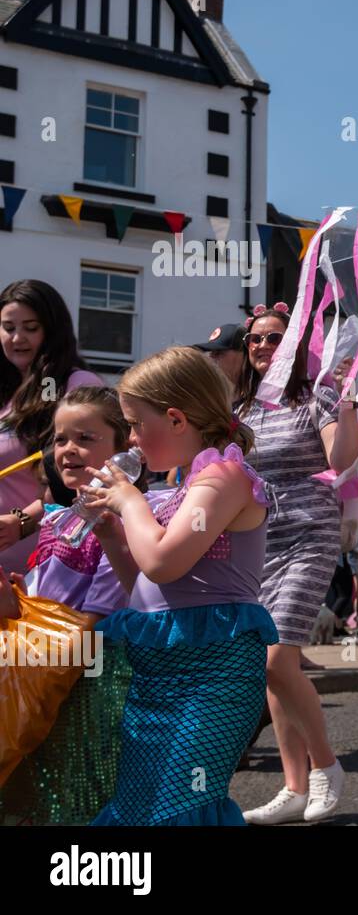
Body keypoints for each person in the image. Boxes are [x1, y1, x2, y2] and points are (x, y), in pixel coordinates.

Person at [80, 347, 275, 825]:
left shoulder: (224, 478)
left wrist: (129, 503)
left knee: (181, 804)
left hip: (212, 675)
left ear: (174, 418)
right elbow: (148, 582)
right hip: (158, 674)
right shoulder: (185, 485)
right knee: (142, 805)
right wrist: (109, 532)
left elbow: (164, 562)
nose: (129, 438)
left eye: (133, 423)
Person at [235, 301, 358, 825]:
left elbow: (340, 459)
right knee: (273, 671)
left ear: (295, 345)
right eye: (256, 339)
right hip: (258, 539)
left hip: (309, 533)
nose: (264, 347)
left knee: (276, 659)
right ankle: (292, 787)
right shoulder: (241, 409)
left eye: (275, 338)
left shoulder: (316, 396)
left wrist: (348, 403)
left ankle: (325, 768)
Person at [0, 387, 137, 824]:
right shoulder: (59, 515)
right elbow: (46, 605)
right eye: (60, 439)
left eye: (85, 438)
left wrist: (31, 630)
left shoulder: (123, 518)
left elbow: (94, 621)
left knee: (75, 793)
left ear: (123, 446)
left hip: (86, 684)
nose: (68, 450)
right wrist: (19, 600)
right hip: (42, 671)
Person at [0, 280, 103, 570]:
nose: (18, 337)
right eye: (9, 328)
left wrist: (22, 522)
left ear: (51, 331)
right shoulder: (8, 389)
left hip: (39, 569)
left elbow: (84, 476)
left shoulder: (76, 386)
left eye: (30, 328)